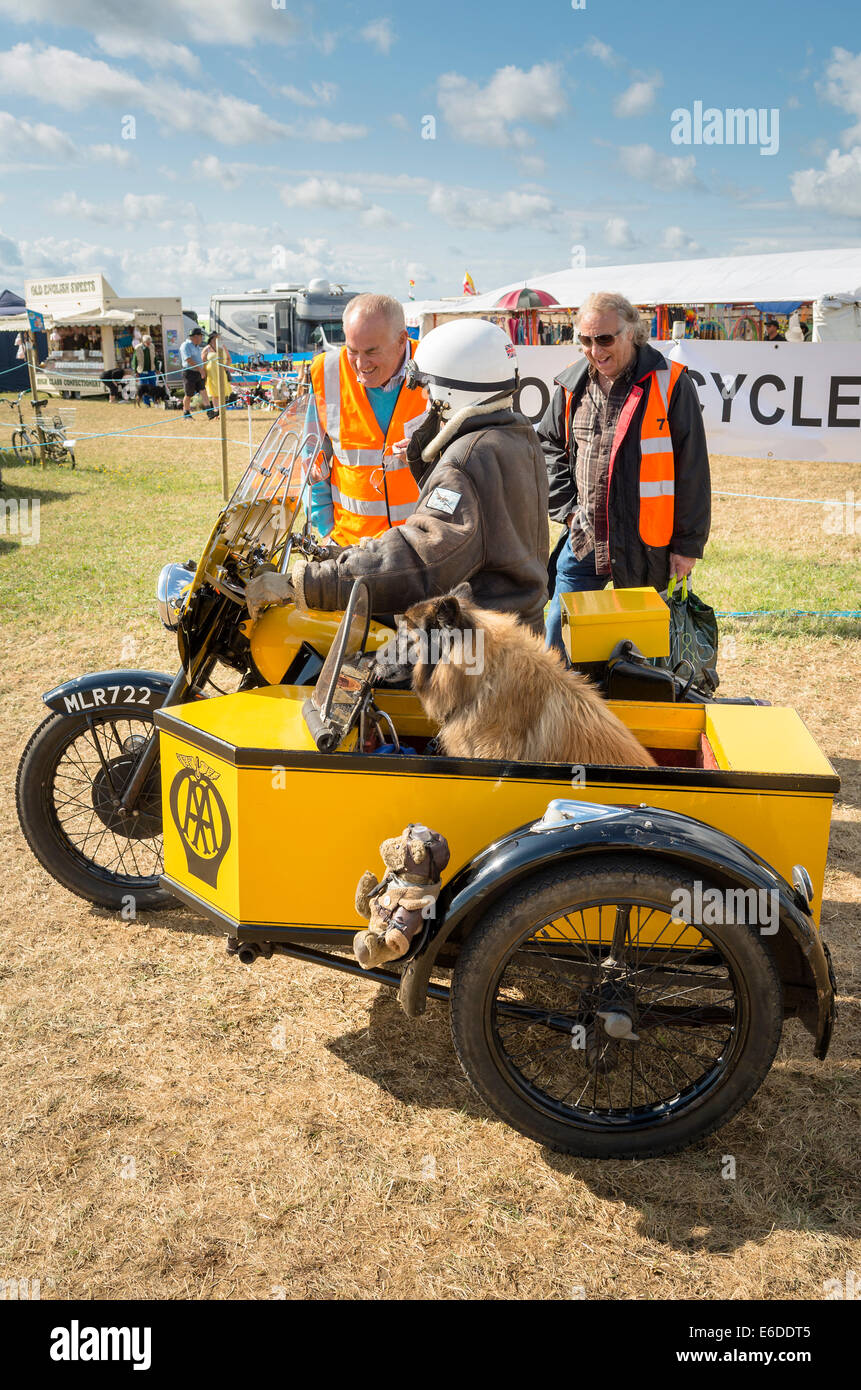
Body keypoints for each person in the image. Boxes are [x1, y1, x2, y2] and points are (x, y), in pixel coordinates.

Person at [245, 318, 550, 635]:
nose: (424, 399)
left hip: (478, 647)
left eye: (427, 389)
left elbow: (420, 561)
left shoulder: (467, 461)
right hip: (510, 628)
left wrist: (305, 583)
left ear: (450, 392)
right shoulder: (513, 436)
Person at [539, 290, 711, 656]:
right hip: (585, 537)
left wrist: (687, 544)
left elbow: (693, 468)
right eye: (585, 340)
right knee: (557, 647)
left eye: (604, 338)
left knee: (640, 655)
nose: (594, 350)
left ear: (632, 332)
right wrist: (568, 509)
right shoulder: (572, 386)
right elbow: (547, 446)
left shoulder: (671, 384)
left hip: (647, 546)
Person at [306, 293, 428, 545]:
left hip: (420, 547)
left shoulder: (434, 366)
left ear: (401, 340)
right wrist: (326, 528)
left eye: (372, 352)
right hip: (349, 547)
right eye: (352, 351)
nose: (361, 364)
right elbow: (312, 458)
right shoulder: (326, 373)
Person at [180, 325, 216, 420]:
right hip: (189, 372)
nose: (202, 338)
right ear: (195, 336)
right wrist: (200, 369)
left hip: (197, 372)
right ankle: (186, 414)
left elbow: (199, 360)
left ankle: (210, 412)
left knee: (203, 391)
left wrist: (202, 370)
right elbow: (188, 360)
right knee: (188, 394)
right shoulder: (185, 345)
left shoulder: (196, 346)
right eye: (201, 336)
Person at [203, 331, 231, 411]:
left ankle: (223, 410)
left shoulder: (222, 347)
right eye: (217, 337)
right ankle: (216, 410)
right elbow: (203, 361)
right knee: (214, 393)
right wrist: (204, 373)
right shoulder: (207, 349)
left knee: (222, 392)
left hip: (222, 372)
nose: (219, 338)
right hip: (211, 373)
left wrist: (226, 367)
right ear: (212, 338)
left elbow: (229, 359)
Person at [132, 333, 158, 406]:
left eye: (150, 342)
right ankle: (147, 403)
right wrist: (135, 371)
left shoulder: (152, 346)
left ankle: (155, 402)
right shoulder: (137, 348)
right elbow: (134, 360)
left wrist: (157, 368)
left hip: (151, 370)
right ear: (143, 342)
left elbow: (155, 358)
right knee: (144, 388)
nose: (149, 344)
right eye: (147, 343)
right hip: (142, 371)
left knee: (153, 387)